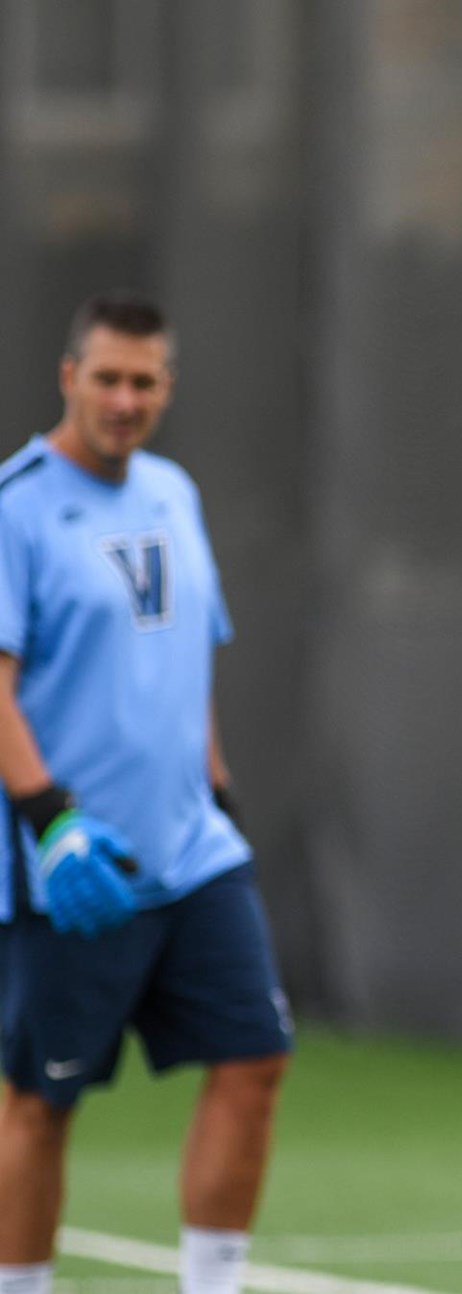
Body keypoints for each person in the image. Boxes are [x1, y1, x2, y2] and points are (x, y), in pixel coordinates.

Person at [0, 295, 293, 1294]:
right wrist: (51, 821)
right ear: (68, 375)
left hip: (194, 853)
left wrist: (219, 794)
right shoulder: (17, 508)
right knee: (43, 1102)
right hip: (78, 866)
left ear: (167, 388)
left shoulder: (172, 490)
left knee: (255, 1061)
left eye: (145, 381)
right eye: (107, 377)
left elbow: (184, 664)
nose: (125, 399)